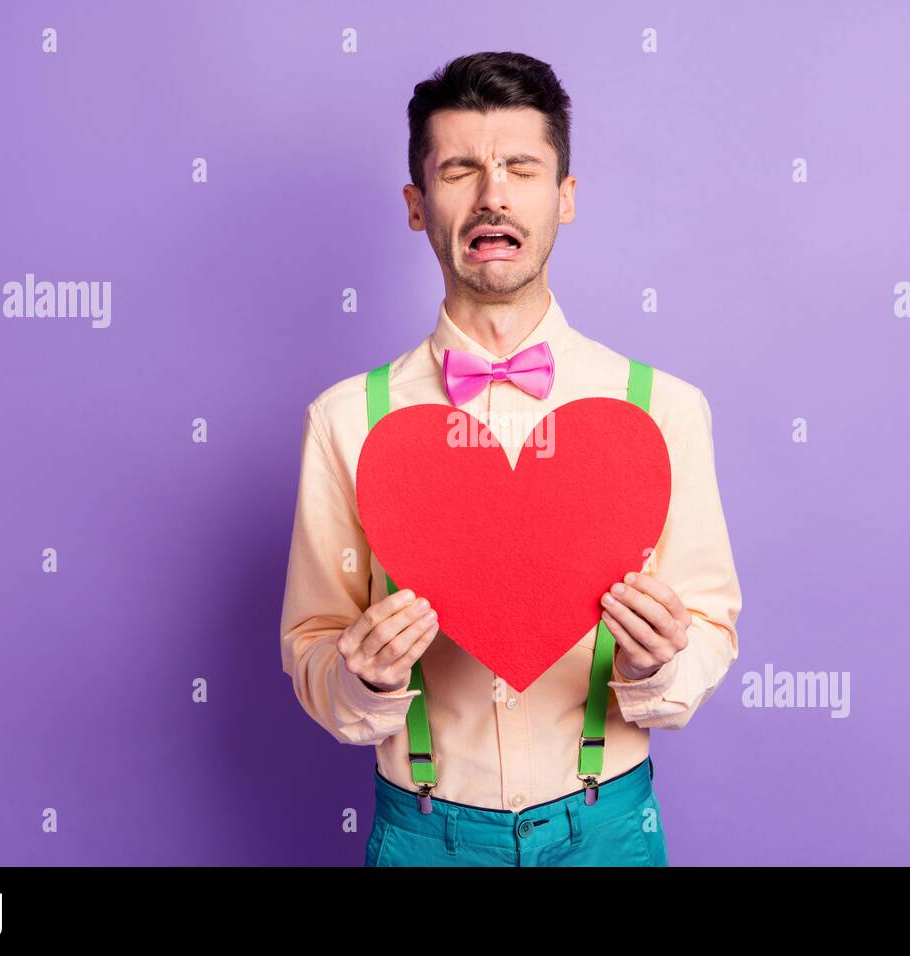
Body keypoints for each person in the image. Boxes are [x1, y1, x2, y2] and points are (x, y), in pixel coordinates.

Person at [280, 51, 742, 867]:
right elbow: (312, 646)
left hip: (609, 830)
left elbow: (710, 631)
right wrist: (364, 678)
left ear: (564, 198)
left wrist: (657, 662)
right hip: (424, 835)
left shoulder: (662, 408)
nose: (493, 194)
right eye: (460, 168)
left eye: (521, 168)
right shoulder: (348, 420)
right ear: (417, 206)